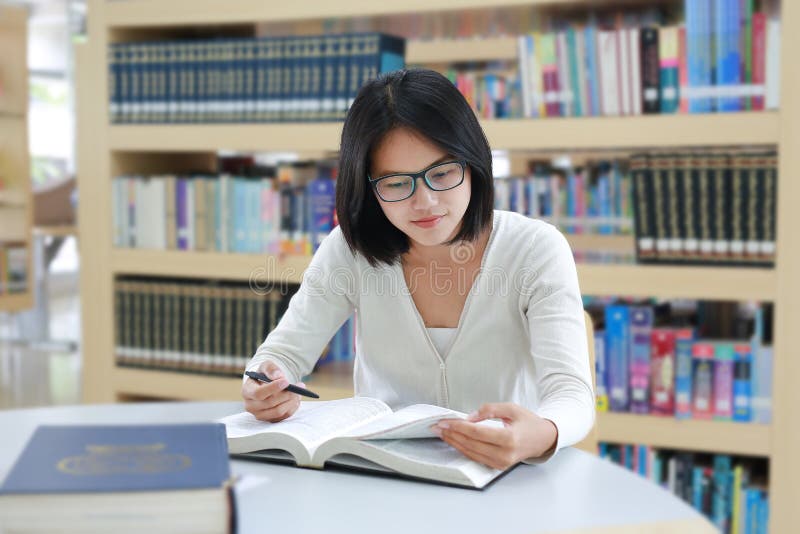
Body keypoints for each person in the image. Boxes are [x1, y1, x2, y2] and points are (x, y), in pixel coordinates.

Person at [241, 68, 594, 469]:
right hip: (385, 476)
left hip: (502, 477)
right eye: (395, 183)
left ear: (473, 164)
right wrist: (263, 387)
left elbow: (572, 394)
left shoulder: (534, 250)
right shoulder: (349, 251)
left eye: (442, 173)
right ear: (368, 188)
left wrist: (542, 432)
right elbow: (279, 356)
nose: (424, 202)